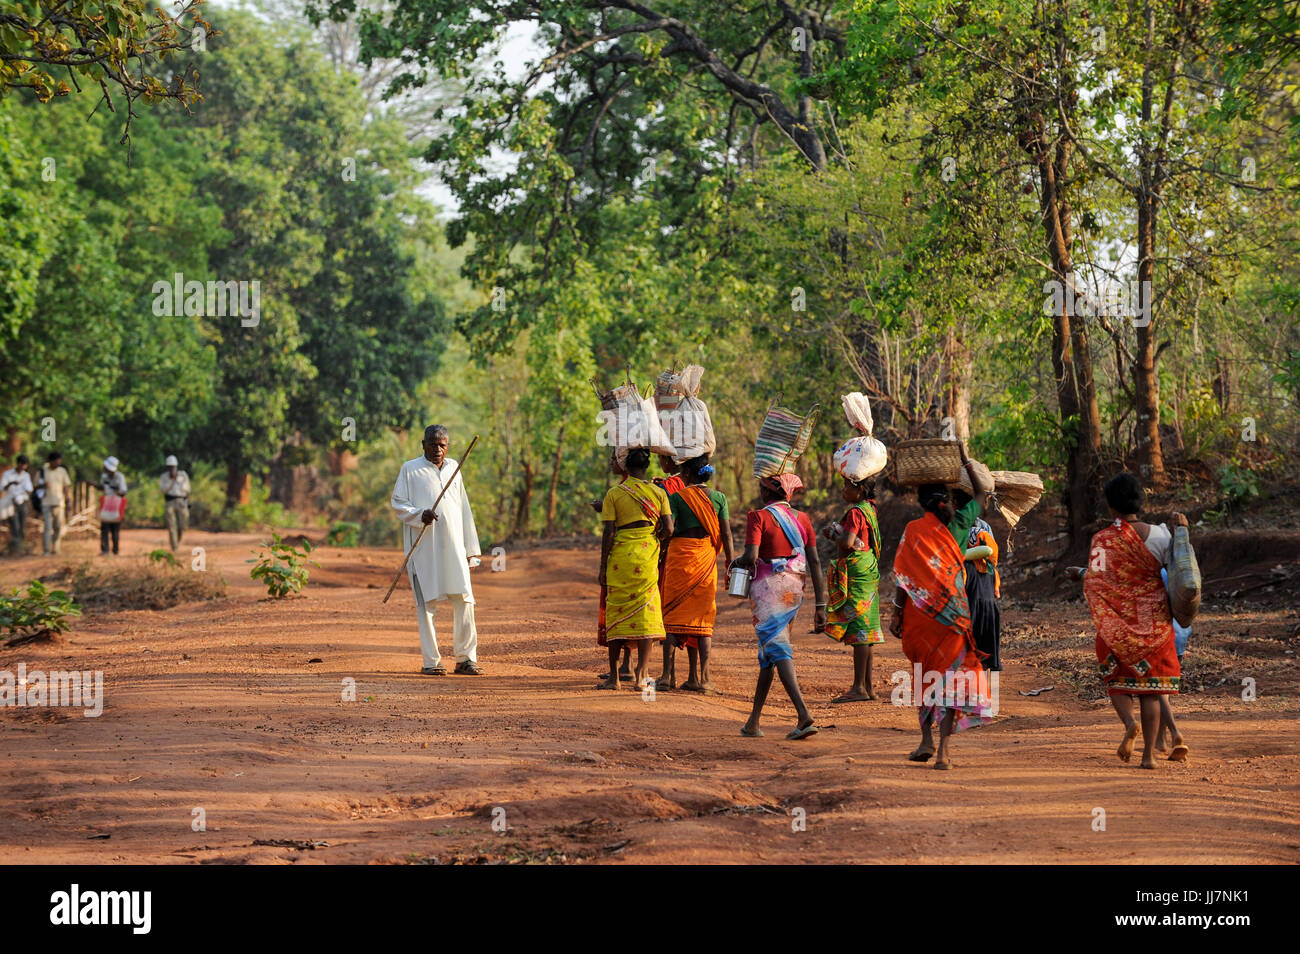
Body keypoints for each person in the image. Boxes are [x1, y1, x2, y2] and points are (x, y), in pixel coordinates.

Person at [1068, 473, 1186, 769]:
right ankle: (1148, 757)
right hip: (1154, 626)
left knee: (1117, 684)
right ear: (1140, 502)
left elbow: (1096, 581)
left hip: (1115, 628)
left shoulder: (1101, 539)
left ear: (1110, 508)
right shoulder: (1161, 537)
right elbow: (1180, 577)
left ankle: (1129, 723)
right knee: (1151, 690)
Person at [888, 446, 995, 770]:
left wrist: (896, 611)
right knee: (953, 679)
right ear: (948, 502)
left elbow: (904, 577)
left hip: (920, 616)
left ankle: (925, 739)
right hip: (953, 616)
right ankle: (944, 752)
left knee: (925, 676)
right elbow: (981, 493)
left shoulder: (913, 531)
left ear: (921, 503)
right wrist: (964, 457)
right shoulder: (961, 524)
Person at [733, 473, 824, 740]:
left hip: (768, 589)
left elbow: (751, 556)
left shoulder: (758, 517)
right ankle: (753, 721)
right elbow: (816, 562)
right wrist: (821, 604)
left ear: (765, 492)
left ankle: (804, 715)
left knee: (777, 647)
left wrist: (738, 560)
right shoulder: (803, 519)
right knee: (769, 651)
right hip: (794, 588)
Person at [391, 425, 483, 675]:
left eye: (442, 445)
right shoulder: (410, 469)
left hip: (453, 548)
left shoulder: (454, 467)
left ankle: (466, 659)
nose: (437, 449)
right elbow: (398, 503)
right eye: (433, 444)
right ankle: (432, 662)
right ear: (423, 445)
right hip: (424, 550)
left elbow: (464, 508)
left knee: (464, 600)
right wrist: (420, 514)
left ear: (448, 446)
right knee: (426, 604)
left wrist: (471, 550)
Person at [597, 447, 673, 690]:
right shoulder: (658, 493)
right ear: (646, 467)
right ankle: (642, 676)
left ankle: (614, 678)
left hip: (621, 558)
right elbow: (669, 529)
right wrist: (657, 544)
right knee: (647, 611)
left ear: (626, 468)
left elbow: (609, 532)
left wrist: (602, 566)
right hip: (647, 555)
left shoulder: (614, 493)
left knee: (616, 610)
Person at [659, 454, 733, 692]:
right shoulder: (720, 498)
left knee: (672, 617)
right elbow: (727, 534)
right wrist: (731, 561)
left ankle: (666, 676)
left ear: (687, 474)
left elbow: (668, 528)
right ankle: (704, 678)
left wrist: (659, 548)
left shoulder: (677, 497)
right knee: (703, 619)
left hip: (680, 558)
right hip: (705, 558)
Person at [824, 475, 883, 702]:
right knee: (866, 629)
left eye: (846, 486)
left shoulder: (855, 512)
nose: (843, 490)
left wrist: (832, 534)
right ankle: (868, 686)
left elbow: (847, 543)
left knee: (859, 628)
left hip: (857, 573)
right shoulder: (870, 508)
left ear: (859, 490)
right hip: (869, 569)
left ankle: (859, 687)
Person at [964, 516, 1002, 671]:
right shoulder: (992, 570)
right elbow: (996, 591)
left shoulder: (965, 568)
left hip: (972, 607)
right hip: (989, 607)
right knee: (988, 635)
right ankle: (988, 662)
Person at [38, 452, 72, 556]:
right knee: (47, 527)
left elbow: (66, 486)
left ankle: (56, 549)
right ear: (51, 461)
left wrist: (68, 498)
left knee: (57, 527)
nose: (58, 463)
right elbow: (35, 486)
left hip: (59, 503)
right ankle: (46, 550)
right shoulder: (43, 471)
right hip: (46, 502)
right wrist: (42, 485)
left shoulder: (62, 471)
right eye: (56, 461)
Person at [2, 455, 34, 556]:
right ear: (18, 464)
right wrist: (11, 483)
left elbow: (29, 489)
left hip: (22, 502)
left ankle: (21, 546)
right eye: (22, 465)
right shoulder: (8, 474)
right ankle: (17, 548)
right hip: (11, 503)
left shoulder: (26, 476)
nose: (23, 467)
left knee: (22, 525)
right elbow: (2, 488)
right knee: (14, 525)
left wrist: (25, 492)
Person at [159, 455, 191, 552]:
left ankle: (176, 540)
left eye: (173, 466)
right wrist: (172, 481)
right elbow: (163, 490)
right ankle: (175, 547)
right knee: (171, 525)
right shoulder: (164, 477)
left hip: (181, 501)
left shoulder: (183, 475)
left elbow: (187, 489)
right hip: (170, 501)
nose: (172, 468)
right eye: (170, 467)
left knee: (183, 525)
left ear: (176, 466)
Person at [99, 457, 128, 556]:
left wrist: (116, 492)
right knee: (104, 528)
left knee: (115, 529)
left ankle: (115, 550)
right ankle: (105, 550)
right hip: (107, 504)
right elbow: (102, 487)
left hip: (116, 505)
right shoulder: (104, 477)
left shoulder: (120, 477)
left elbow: (123, 491)